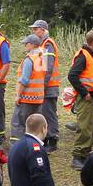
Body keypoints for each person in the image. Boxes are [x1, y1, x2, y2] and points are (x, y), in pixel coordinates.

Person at [67, 30, 93, 170]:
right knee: (84, 127)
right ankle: (77, 157)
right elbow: (72, 76)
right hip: (86, 98)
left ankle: (85, 153)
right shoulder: (83, 56)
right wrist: (84, 93)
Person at [10, 34, 48, 143]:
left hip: (26, 98)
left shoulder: (29, 59)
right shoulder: (42, 57)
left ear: (32, 45)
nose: (25, 45)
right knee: (34, 126)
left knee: (18, 124)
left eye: (26, 43)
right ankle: (34, 145)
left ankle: (16, 148)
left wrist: (18, 95)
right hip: (38, 98)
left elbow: (24, 80)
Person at [30, 20, 62, 148]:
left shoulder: (48, 44)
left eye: (36, 29)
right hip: (45, 85)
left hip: (49, 86)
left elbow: (47, 67)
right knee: (45, 112)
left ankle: (52, 139)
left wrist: (42, 85)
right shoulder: (42, 44)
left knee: (49, 113)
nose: (33, 31)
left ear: (43, 30)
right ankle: (47, 138)